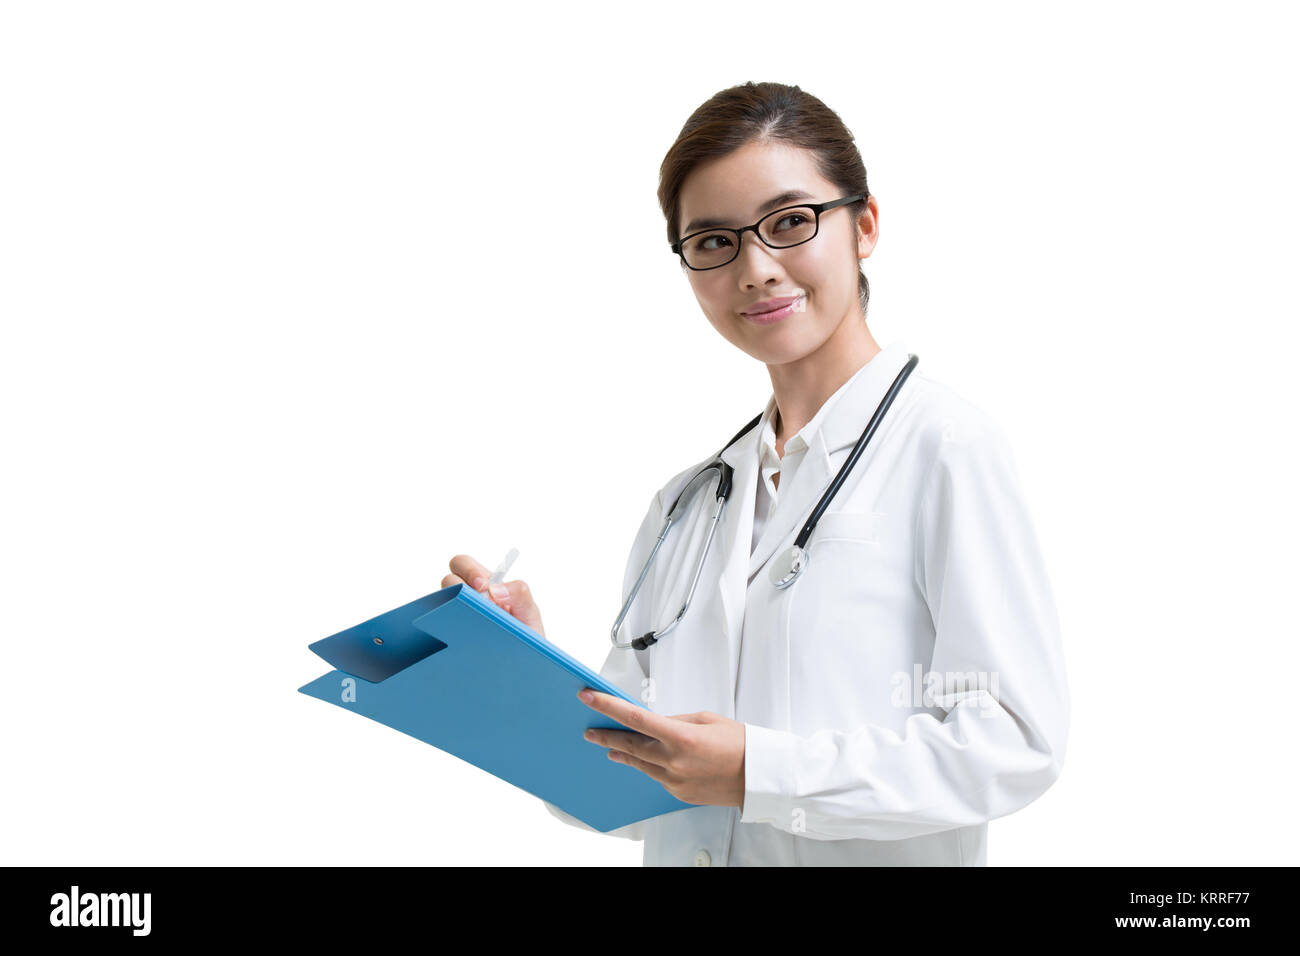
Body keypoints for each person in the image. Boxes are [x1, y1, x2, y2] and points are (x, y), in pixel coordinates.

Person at [443, 81, 1069, 866]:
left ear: (864, 224)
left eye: (791, 222)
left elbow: (1013, 742)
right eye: (713, 242)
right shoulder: (686, 504)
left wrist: (759, 773)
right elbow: (609, 795)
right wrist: (519, 664)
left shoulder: (945, 448)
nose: (757, 268)